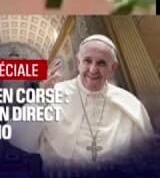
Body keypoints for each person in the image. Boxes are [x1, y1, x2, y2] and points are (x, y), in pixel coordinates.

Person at [8, 35, 154, 167]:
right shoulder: (53, 94)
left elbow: (144, 159)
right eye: (87, 61)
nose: (93, 69)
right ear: (78, 62)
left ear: (113, 68)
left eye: (101, 63)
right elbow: (19, 138)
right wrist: (42, 98)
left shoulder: (130, 105)